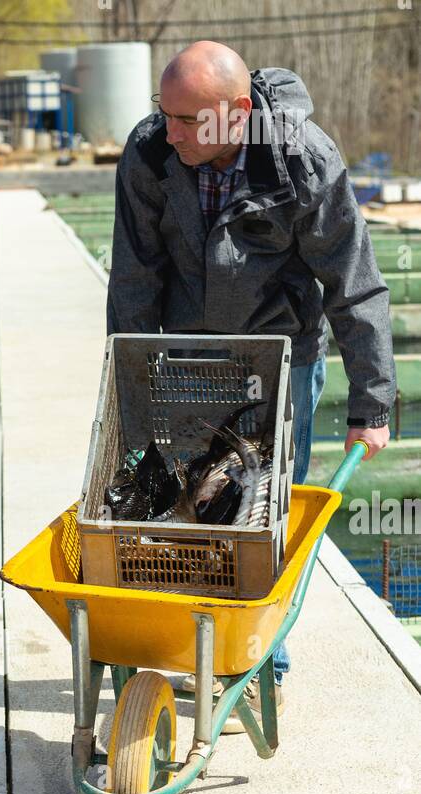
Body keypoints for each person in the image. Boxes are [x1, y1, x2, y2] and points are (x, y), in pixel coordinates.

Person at [107, 41, 396, 726]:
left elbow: (353, 287)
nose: (169, 131)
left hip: (278, 356)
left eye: (186, 119)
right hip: (184, 354)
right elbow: (135, 280)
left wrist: (372, 403)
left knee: (259, 509)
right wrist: (132, 397)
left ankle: (263, 662)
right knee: (179, 496)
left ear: (237, 114)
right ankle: (186, 644)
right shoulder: (152, 155)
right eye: (163, 112)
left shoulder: (303, 162)